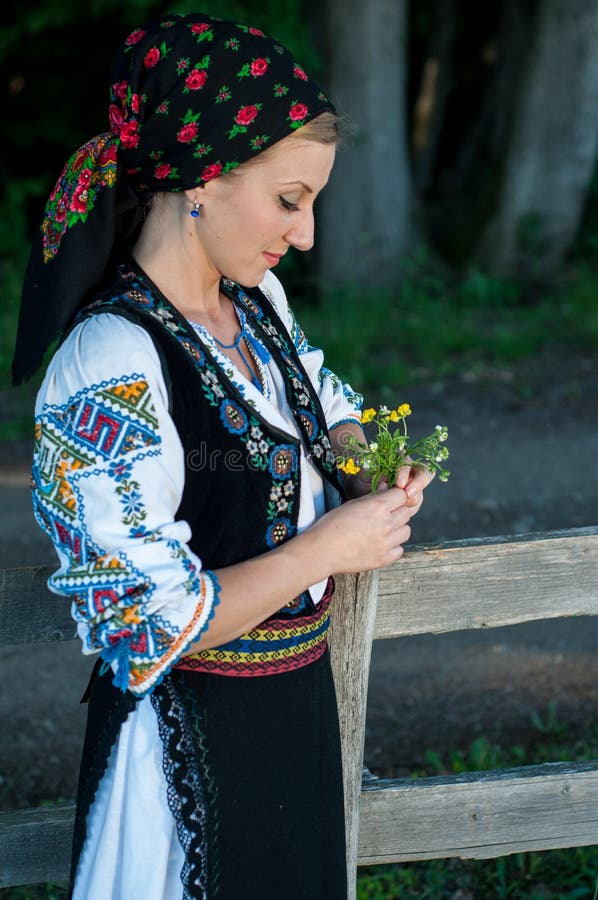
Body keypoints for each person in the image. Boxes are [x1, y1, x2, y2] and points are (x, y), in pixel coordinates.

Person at [13, 12, 432, 900]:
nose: (307, 234)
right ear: (199, 179)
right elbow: (142, 626)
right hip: (183, 757)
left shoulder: (259, 301)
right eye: (290, 200)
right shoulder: (109, 363)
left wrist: (371, 461)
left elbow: (329, 404)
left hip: (293, 724)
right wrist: (330, 548)